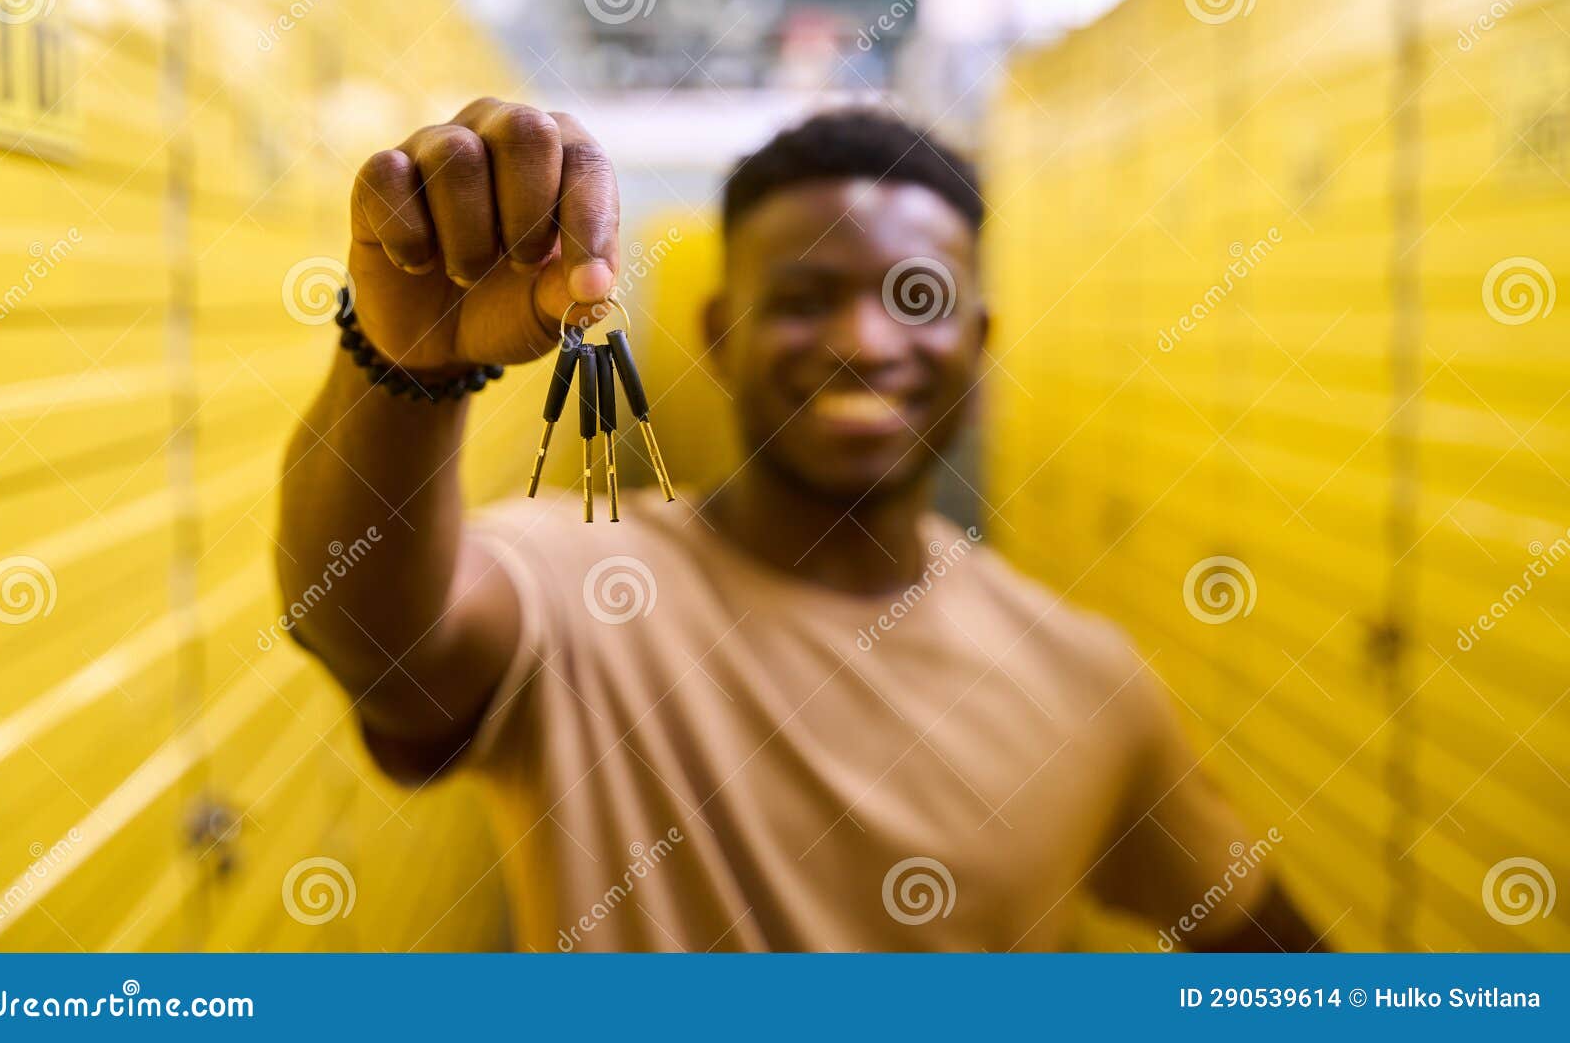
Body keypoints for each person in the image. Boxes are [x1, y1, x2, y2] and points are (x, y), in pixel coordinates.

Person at [276, 99, 1324, 952]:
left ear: (979, 339)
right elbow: (374, 631)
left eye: (916, 297)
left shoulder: (1088, 681)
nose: (863, 341)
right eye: (804, 297)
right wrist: (402, 371)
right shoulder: (580, 581)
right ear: (721, 337)